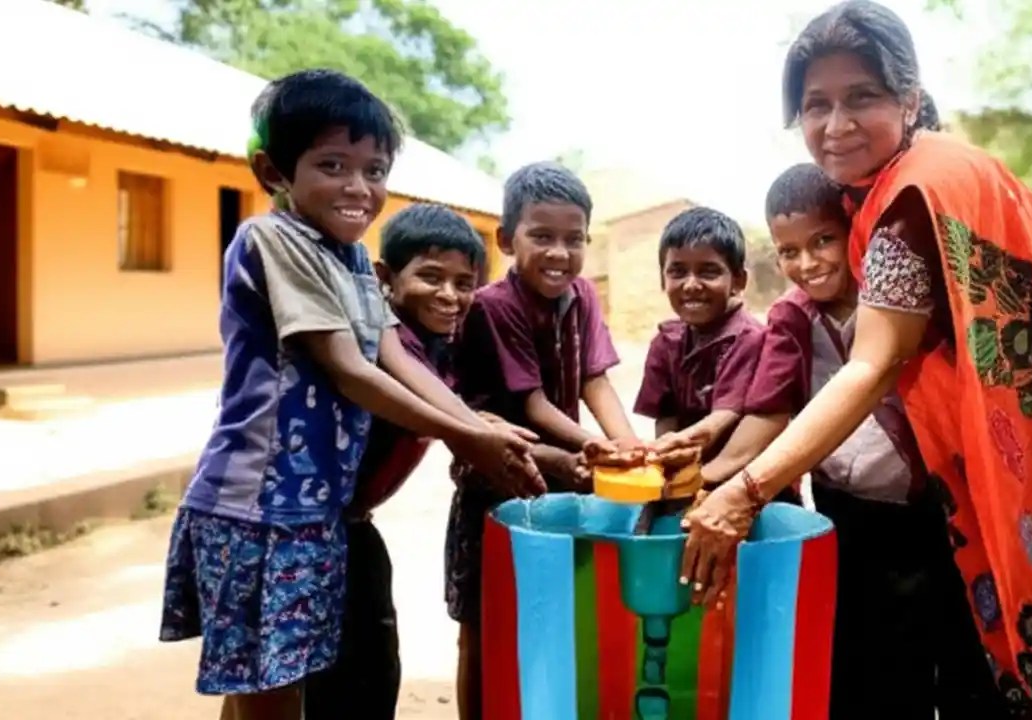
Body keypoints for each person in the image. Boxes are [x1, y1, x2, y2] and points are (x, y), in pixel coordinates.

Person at [678, 2, 1032, 718]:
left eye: (861, 97)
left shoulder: (908, 203)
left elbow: (871, 368)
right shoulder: (892, 183)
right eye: (816, 105)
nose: (835, 125)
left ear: (908, 98)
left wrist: (744, 493)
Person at [158, 69, 539, 720]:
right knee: (267, 693)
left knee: (273, 681)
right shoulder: (273, 239)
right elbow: (348, 369)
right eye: (333, 164)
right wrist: (469, 434)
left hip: (314, 511)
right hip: (259, 508)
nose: (358, 188)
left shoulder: (354, 259)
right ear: (273, 169)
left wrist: (477, 425)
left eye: (374, 169)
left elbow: (393, 356)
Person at [703, 163, 1003, 718]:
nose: (807, 263)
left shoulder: (896, 299)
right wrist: (710, 477)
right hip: (850, 511)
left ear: (853, 232)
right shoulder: (792, 317)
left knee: (958, 651)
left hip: (933, 511)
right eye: (788, 251)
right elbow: (767, 412)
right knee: (871, 661)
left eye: (823, 241)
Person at [449, 161, 641, 719]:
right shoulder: (494, 305)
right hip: (492, 484)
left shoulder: (581, 295)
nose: (560, 253)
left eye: (573, 239)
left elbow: (594, 379)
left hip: (558, 485)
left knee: (553, 616)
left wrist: (628, 441)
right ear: (507, 239)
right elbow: (531, 402)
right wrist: (598, 447)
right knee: (482, 628)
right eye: (542, 237)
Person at [301, 203, 489, 720]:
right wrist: (483, 440)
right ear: (384, 278)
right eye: (431, 277)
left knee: (372, 670)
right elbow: (434, 415)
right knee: (309, 681)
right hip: (314, 529)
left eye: (463, 282)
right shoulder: (383, 345)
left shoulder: (443, 346)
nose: (449, 296)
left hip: (356, 527)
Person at [634, 207, 764, 462]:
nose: (691, 285)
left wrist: (675, 451)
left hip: (745, 478)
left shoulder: (750, 338)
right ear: (663, 280)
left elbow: (724, 416)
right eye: (678, 272)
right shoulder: (665, 342)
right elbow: (666, 417)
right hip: (687, 474)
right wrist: (665, 461)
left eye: (708, 271)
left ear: (738, 281)